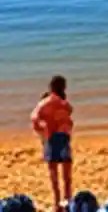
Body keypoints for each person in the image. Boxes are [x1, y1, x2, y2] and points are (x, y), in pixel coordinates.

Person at [31, 75, 74, 212]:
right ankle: (68, 200)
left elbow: (34, 117)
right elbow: (69, 114)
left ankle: (57, 202)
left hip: (52, 136)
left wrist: (42, 130)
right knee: (67, 174)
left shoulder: (45, 102)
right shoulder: (64, 103)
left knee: (53, 172)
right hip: (64, 137)